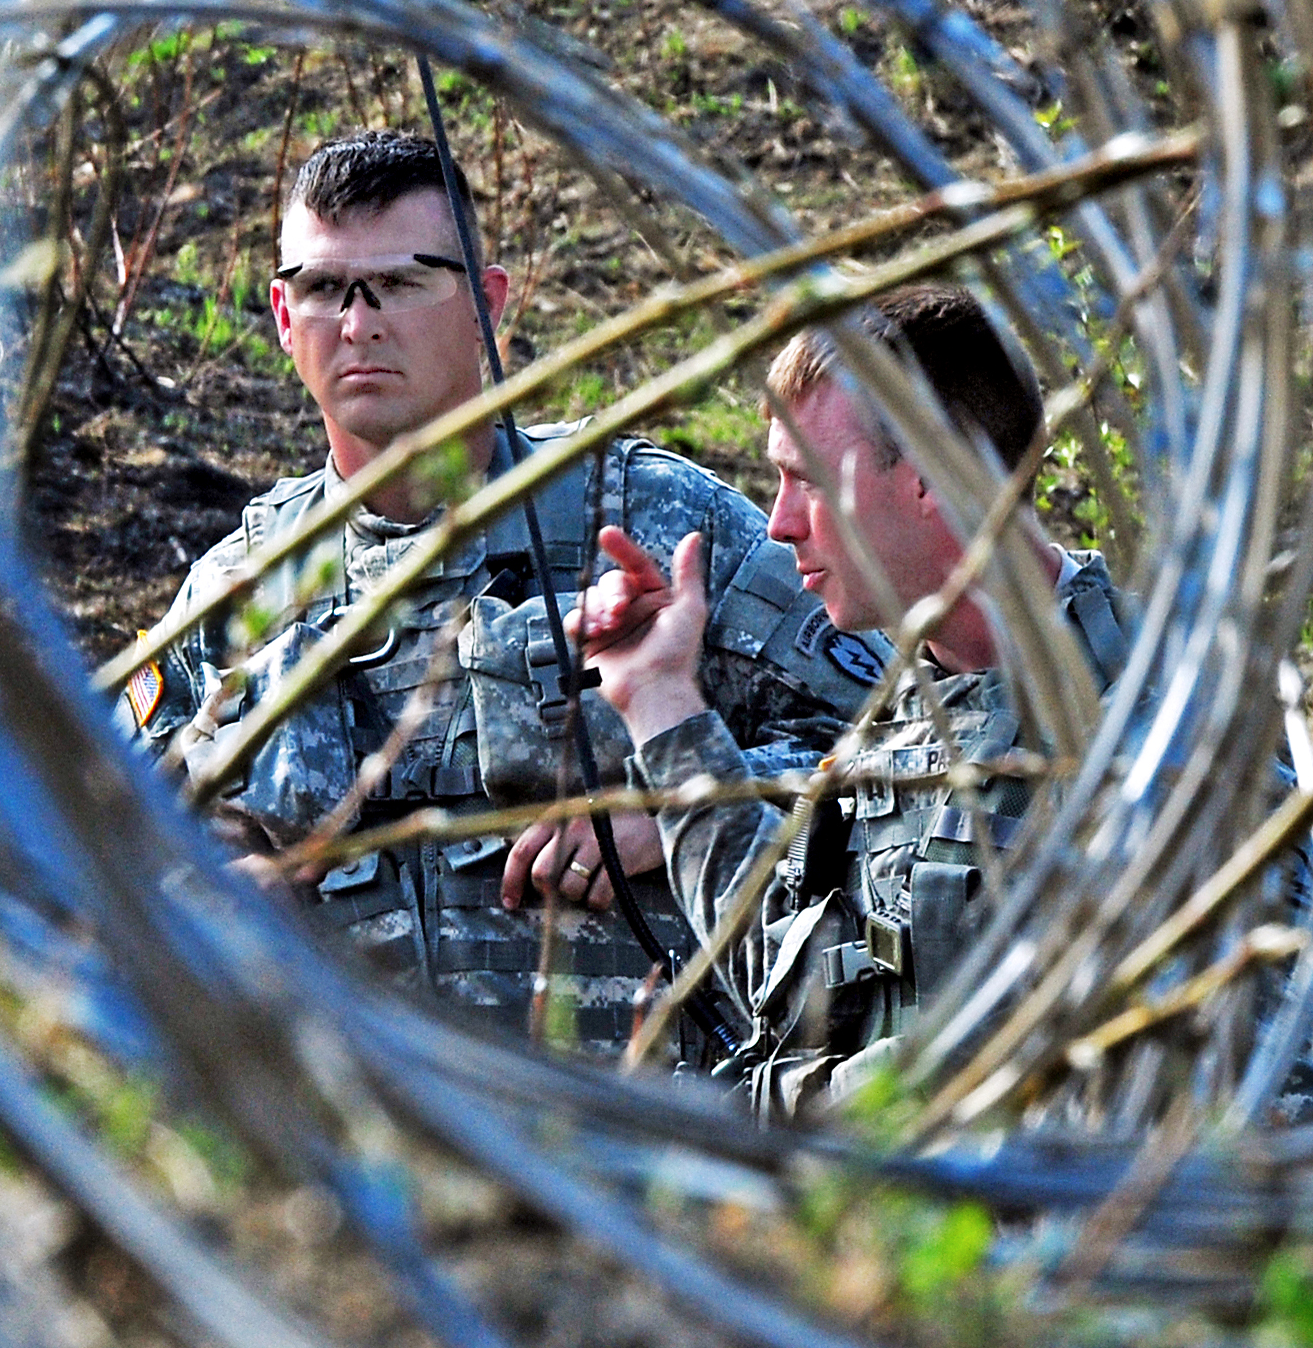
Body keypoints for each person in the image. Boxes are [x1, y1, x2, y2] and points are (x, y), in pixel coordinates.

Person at [119, 130, 885, 1055]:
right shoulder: (237, 591)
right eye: (324, 288)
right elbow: (108, 844)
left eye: (401, 283)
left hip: (643, 1142)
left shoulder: (643, 515)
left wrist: (681, 812)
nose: (359, 322)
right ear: (283, 315)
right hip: (366, 1159)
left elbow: (897, 754)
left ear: (485, 306)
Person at [574, 282, 1136, 1109]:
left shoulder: (1146, 726)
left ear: (934, 478)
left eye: (805, 480)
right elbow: (790, 975)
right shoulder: (909, 707)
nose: (778, 523)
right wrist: (660, 702)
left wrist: (787, 1119)